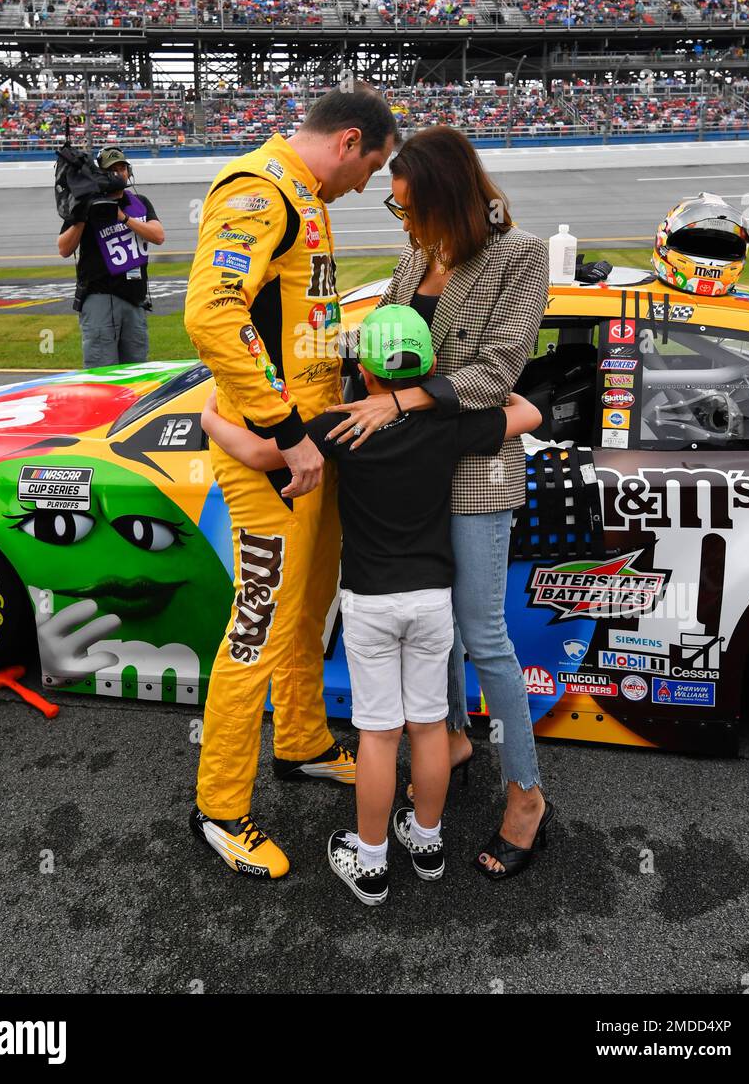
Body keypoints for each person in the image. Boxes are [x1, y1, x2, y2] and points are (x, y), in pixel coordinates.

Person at [201, 304, 543, 904]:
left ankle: (371, 860)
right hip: (433, 602)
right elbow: (529, 412)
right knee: (430, 727)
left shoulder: (339, 424)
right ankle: (429, 842)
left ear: (362, 366)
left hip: (369, 605)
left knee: (379, 737)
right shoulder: (444, 425)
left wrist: (211, 420)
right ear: (431, 362)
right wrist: (437, 398)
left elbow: (259, 456)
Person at [325, 125, 554, 881]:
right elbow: (381, 355)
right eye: (397, 210)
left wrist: (401, 408)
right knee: (437, 634)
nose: (403, 221)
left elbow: (497, 373)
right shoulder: (416, 256)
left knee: (483, 638)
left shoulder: (517, 257)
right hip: (416, 472)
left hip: (474, 473)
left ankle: (525, 797)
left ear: (449, 199)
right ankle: (449, 744)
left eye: (409, 208)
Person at [183, 83, 399, 881]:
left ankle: (302, 740)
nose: (367, 185)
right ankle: (219, 806)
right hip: (273, 462)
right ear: (349, 141)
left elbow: (295, 322)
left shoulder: (304, 197)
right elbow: (212, 314)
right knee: (257, 628)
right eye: (371, 168)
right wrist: (280, 431)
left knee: (309, 607)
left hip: (310, 448)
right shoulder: (256, 189)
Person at [57, 147, 164, 369]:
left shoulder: (139, 202)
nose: (119, 174)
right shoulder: (87, 203)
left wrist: (123, 218)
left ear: (129, 171)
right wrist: (83, 216)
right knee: (102, 370)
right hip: (99, 296)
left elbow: (158, 235)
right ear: (101, 174)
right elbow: (64, 248)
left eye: (122, 168)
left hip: (135, 298)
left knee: (137, 369)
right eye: (112, 170)